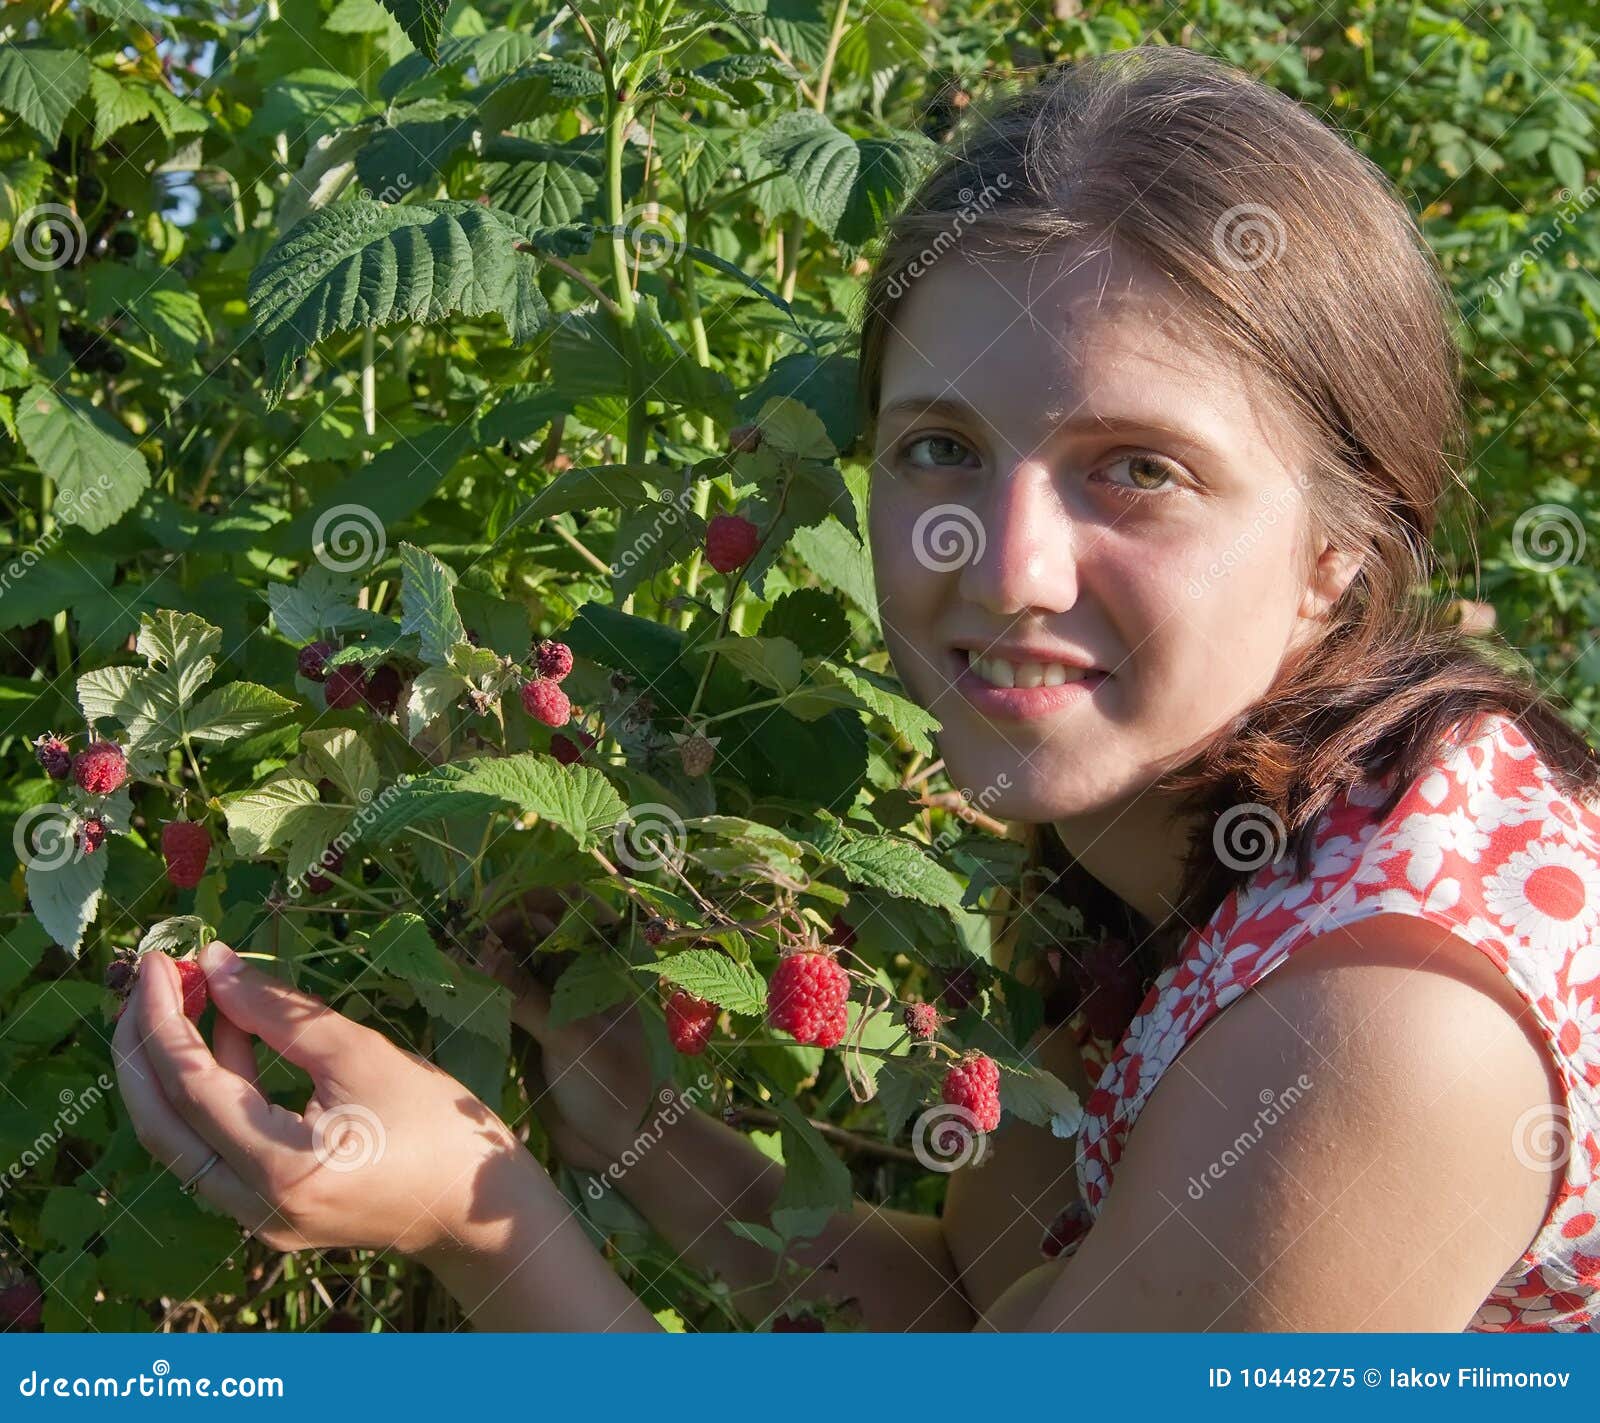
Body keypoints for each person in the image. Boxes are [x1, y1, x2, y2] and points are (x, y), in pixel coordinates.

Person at [112, 45, 1600, 1332]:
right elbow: (991, 1329)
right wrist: (634, 1112)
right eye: (939, 447)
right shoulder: (1142, 859)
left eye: (1138, 472)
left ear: (1341, 552)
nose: (1003, 567)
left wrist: (477, 1221)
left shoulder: (1391, 1030)